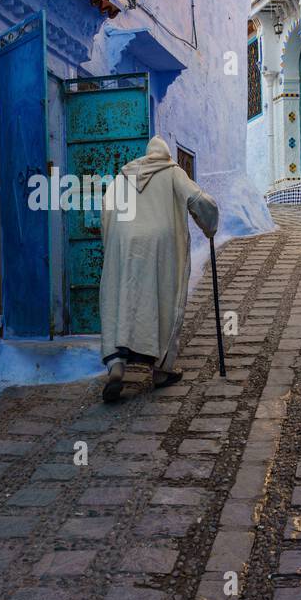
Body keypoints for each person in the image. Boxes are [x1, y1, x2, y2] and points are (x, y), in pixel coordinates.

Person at [99, 136, 219, 402]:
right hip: (160, 243)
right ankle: (161, 370)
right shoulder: (172, 171)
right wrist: (210, 224)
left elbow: (106, 208)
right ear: (166, 156)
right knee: (163, 296)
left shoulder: (123, 176)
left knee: (121, 297)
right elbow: (198, 199)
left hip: (124, 242)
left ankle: (117, 366)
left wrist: (112, 244)